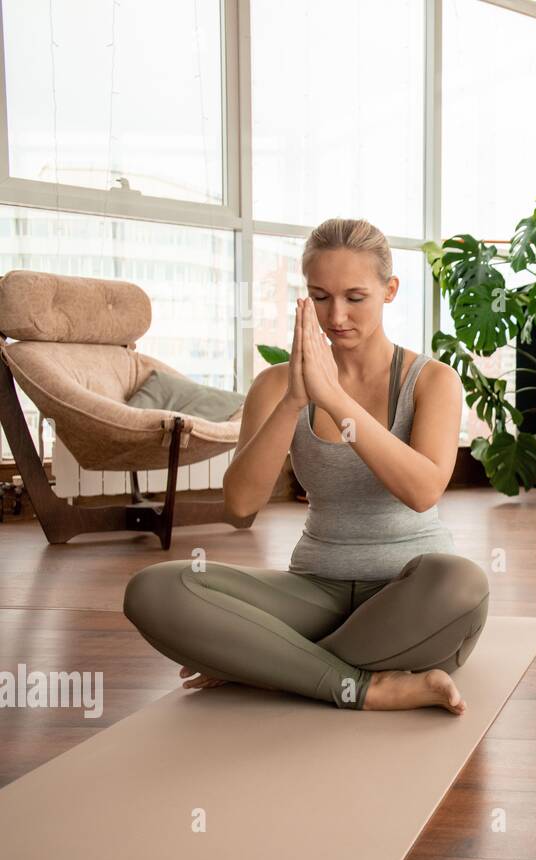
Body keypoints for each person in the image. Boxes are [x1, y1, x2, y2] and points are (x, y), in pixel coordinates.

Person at [123, 218, 487, 714]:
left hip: (411, 598)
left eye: (355, 297)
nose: (335, 315)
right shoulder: (276, 386)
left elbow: (422, 491)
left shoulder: (432, 381)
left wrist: (334, 398)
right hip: (314, 593)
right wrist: (295, 399)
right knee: (155, 589)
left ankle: (271, 666)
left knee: (461, 582)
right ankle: (362, 685)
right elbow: (240, 506)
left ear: (390, 290)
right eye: (320, 297)